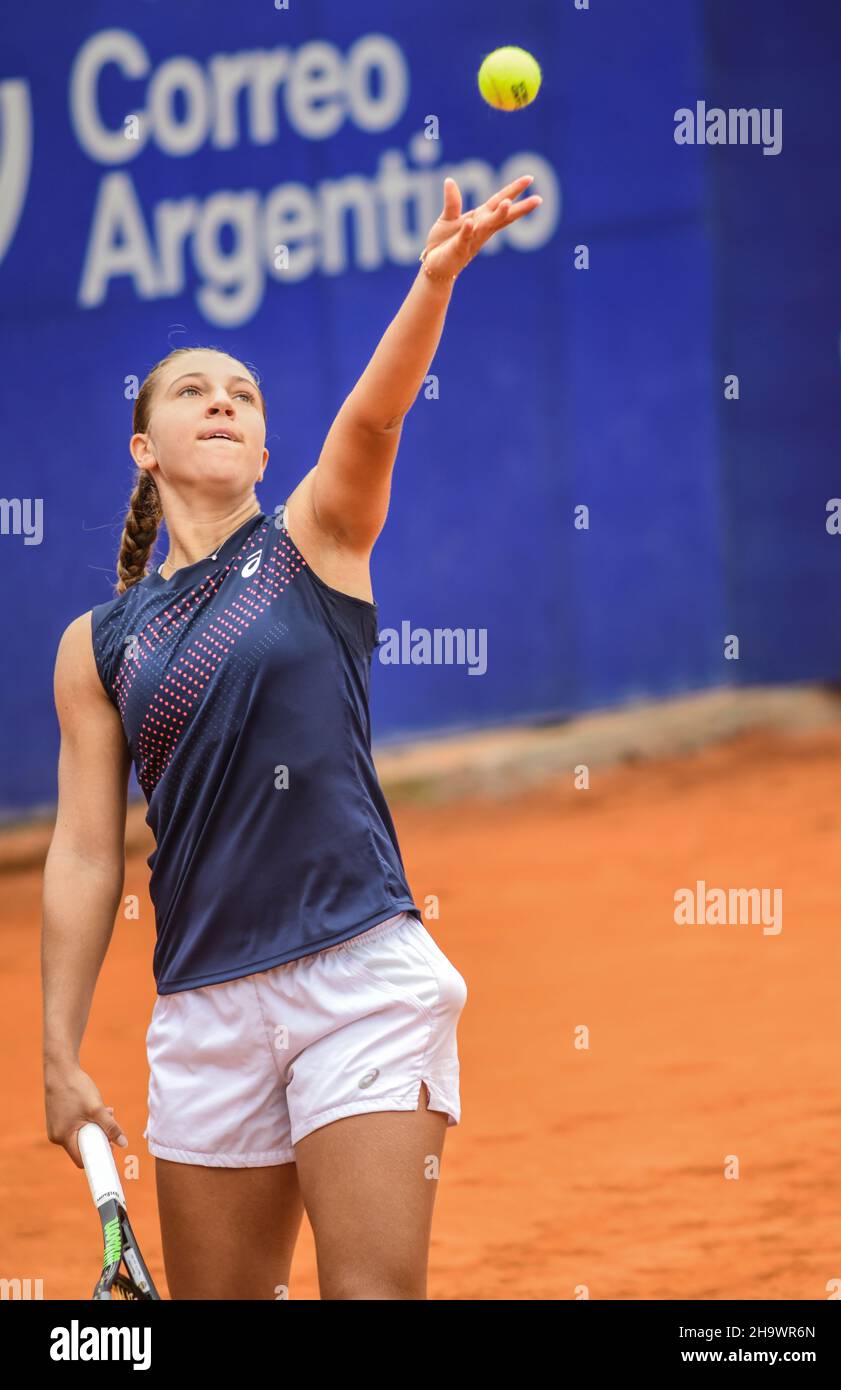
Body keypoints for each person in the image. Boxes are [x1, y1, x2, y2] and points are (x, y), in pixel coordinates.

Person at [42, 174, 543, 1300]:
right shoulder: (96, 645)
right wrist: (57, 1049)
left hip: (359, 978)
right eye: (192, 393)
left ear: (267, 452)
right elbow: (83, 851)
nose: (223, 403)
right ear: (144, 449)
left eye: (245, 396)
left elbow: (373, 415)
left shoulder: (313, 540)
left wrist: (432, 283)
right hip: (204, 1010)